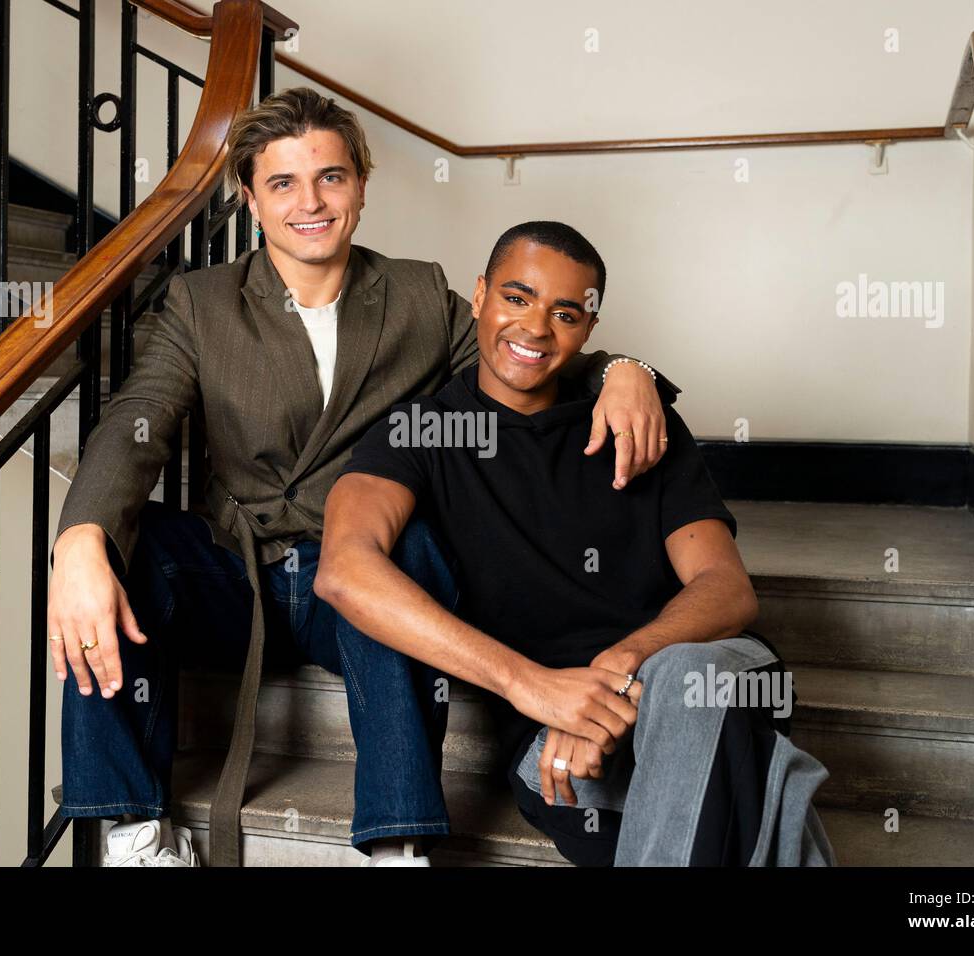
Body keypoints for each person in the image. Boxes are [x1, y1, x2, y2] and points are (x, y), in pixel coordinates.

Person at [47, 88, 677, 867]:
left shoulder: (416, 294)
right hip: (231, 570)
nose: (310, 203)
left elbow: (521, 363)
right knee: (115, 556)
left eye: (331, 179)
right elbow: (136, 417)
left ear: (361, 186)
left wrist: (626, 369)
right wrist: (79, 540)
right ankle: (135, 833)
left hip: (352, 580)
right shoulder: (200, 302)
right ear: (249, 199)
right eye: (282, 184)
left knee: (406, 549)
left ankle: (397, 841)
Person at [317, 220, 837, 866]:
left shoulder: (638, 424)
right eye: (516, 297)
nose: (536, 329)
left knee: (686, 680)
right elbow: (343, 569)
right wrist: (537, 688)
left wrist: (615, 671)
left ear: (590, 329)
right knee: (758, 789)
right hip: (558, 738)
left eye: (565, 313)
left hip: (693, 671)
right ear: (477, 297)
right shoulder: (419, 434)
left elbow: (727, 590)